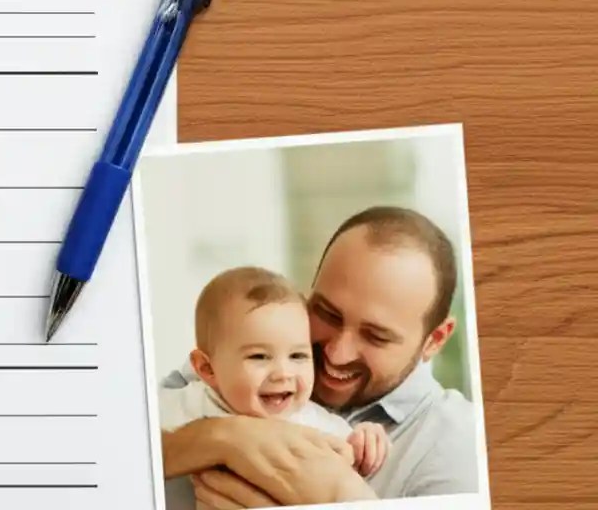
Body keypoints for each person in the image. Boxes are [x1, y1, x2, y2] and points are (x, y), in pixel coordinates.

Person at [160, 207, 480, 508]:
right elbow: (121, 443)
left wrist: (342, 496)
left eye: (376, 336)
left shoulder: (457, 445)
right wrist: (221, 437)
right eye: (327, 313)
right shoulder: (243, 353)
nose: (336, 354)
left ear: (434, 340)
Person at [159, 266, 389, 509]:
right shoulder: (186, 406)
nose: (283, 374)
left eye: (298, 356)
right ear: (207, 369)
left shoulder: (316, 424)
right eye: (259, 357)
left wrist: (366, 439)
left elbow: (351, 464)